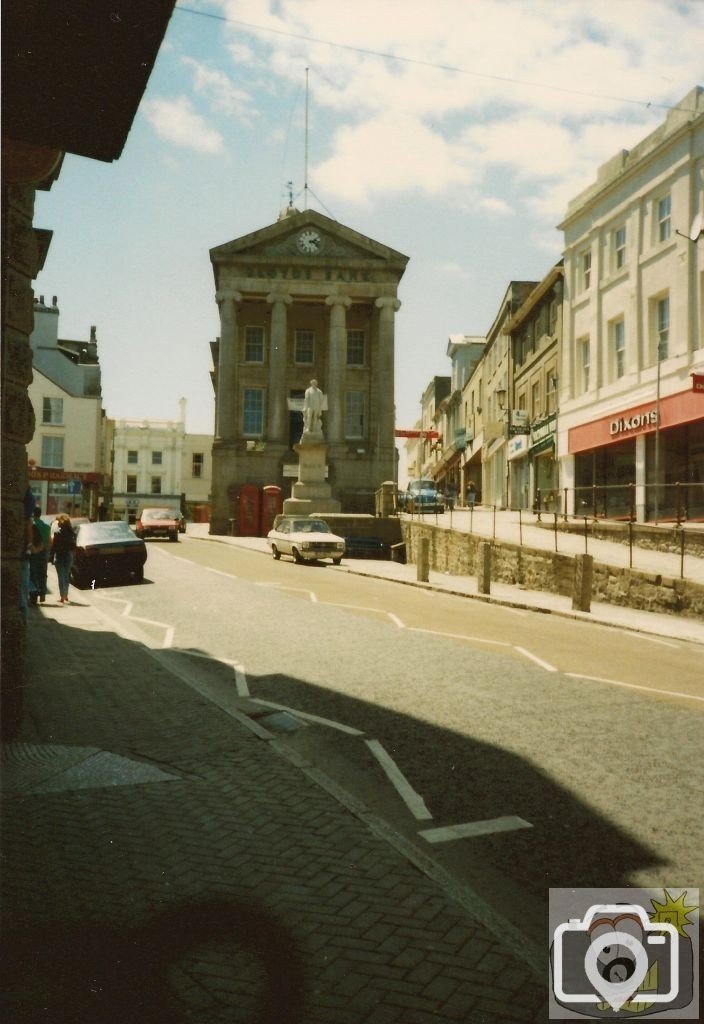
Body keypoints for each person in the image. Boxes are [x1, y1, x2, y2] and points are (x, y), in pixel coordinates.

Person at [51, 513, 76, 604]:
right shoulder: (71, 532)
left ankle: (62, 596)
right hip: (68, 555)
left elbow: (54, 545)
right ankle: (66, 595)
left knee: (61, 576)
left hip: (60, 555)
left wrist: (50, 556)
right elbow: (74, 545)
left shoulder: (58, 532)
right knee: (66, 575)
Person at [29, 507, 51, 604]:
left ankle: (33, 597)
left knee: (33, 573)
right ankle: (42, 594)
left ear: (33, 514)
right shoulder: (47, 526)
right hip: (44, 552)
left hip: (33, 552)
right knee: (43, 573)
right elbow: (50, 541)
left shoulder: (32, 525)